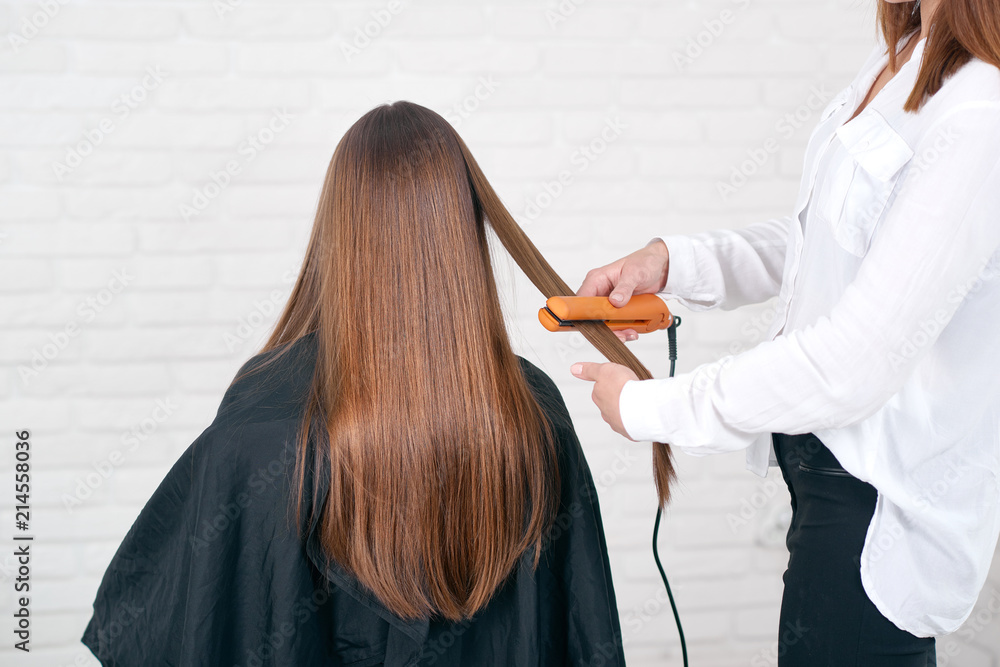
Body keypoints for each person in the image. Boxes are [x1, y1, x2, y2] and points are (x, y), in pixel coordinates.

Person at [81, 102, 635, 666]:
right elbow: (582, 633)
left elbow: (173, 622)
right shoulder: (530, 409)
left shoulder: (258, 424)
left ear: (338, 230)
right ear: (463, 230)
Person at [571, 0, 1000, 665]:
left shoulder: (979, 111)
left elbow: (854, 362)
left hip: (873, 517)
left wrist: (649, 406)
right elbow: (827, 242)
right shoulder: (902, 59)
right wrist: (675, 261)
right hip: (821, 484)